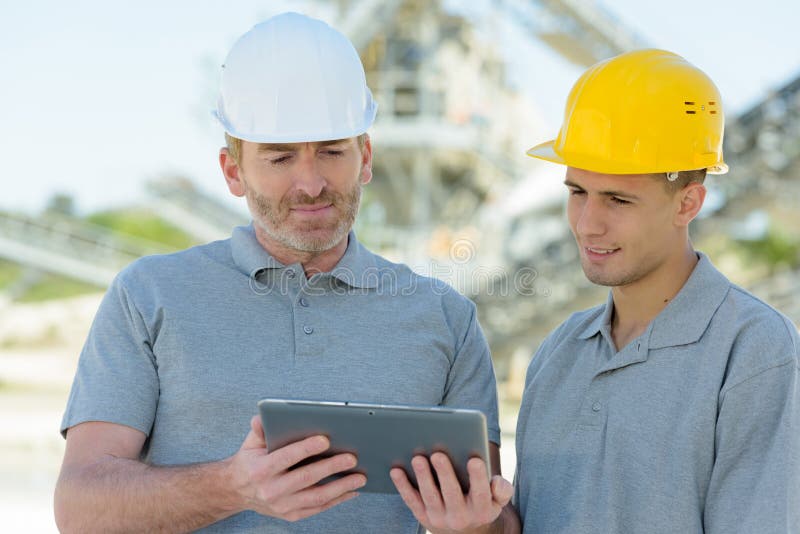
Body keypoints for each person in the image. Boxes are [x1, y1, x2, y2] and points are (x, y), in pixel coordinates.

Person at [54, 12, 518, 533]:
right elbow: (80, 510)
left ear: (365, 157)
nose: (312, 183)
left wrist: (476, 525)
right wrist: (232, 486)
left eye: (332, 152)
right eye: (280, 159)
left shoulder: (447, 319)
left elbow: (497, 520)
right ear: (233, 171)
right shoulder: (146, 296)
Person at [514, 49, 800, 533]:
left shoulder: (754, 352)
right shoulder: (556, 354)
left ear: (688, 203)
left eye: (618, 200)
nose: (587, 225)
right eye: (577, 192)